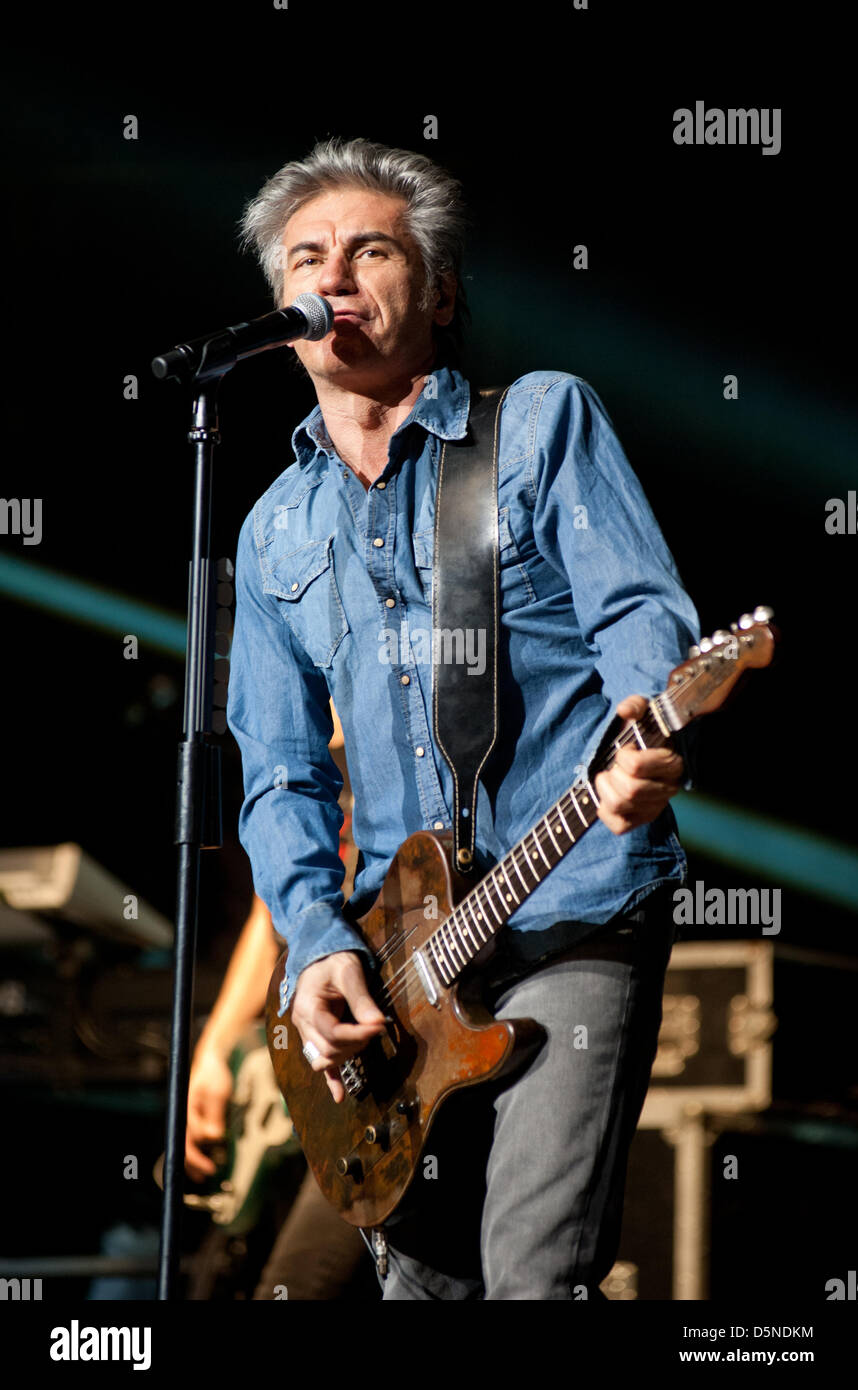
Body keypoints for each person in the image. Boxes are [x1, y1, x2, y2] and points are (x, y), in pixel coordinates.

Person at [226, 136, 701, 1300]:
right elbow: (281, 775)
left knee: (536, 1275)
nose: (331, 276)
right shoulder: (274, 529)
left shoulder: (540, 425)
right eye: (305, 258)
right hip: (407, 967)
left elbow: (640, 611)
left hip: (574, 905)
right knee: (423, 1291)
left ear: (436, 290)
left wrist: (648, 721)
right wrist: (317, 948)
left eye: (369, 250)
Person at [184, 707, 373, 1300]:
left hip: (384, 1063)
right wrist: (214, 1049)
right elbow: (273, 914)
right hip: (307, 1072)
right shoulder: (293, 726)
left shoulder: (407, 704)